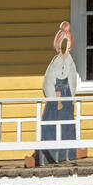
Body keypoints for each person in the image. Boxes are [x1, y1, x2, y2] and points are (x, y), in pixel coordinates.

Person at [30, 21, 83, 166]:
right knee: (51, 124)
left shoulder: (71, 63)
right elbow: (48, 81)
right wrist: (53, 97)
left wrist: (70, 96)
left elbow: (72, 80)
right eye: (63, 44)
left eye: (67, 44)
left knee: (67, 124)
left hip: (66, 96)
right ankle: (47, 154)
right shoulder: (55, 62)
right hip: (55, 96)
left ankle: (68, 152)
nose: (65, 47)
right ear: (59, 45)